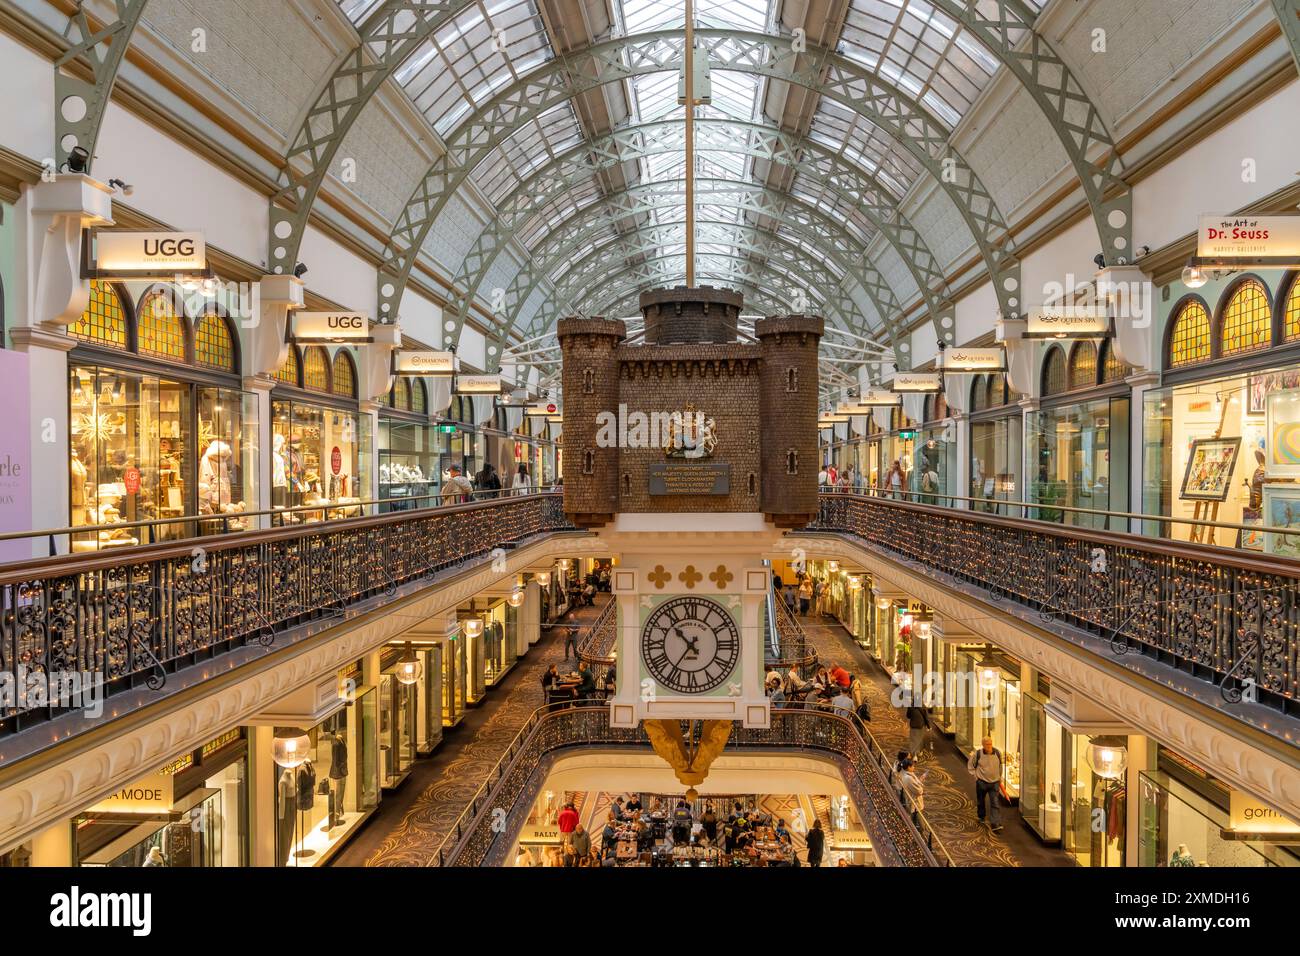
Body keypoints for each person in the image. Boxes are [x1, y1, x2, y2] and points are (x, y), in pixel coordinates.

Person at [968, 736, 1005, 832]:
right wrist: (976, 777)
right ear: (983, 745)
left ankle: (995, 823)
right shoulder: (978, 754)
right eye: (987, 744)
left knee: (995, 803)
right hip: (982, 782)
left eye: (991, 744)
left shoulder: (997, 753)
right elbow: (971, 765)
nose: (989, 746)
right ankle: (981, 816)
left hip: (994, 783)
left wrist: (999, 777)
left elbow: (1000, 766)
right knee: (981, 801)